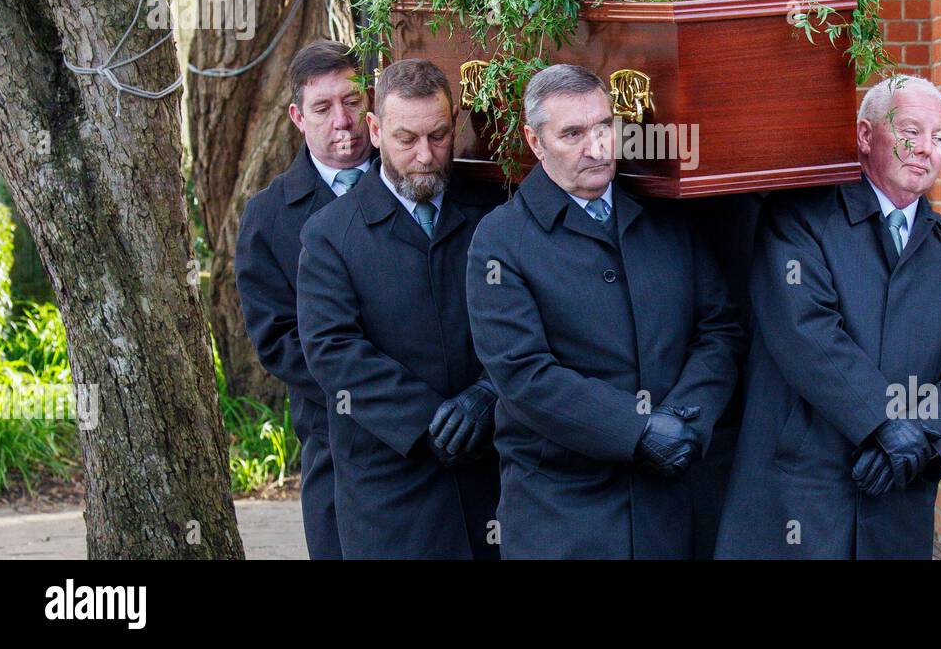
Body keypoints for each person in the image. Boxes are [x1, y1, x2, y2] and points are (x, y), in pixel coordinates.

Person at [466, 64, 743, 559]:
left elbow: (718, 329)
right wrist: (636, 430)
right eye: (572, 134)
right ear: (535, 141)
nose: (597, 148)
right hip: (563, 516)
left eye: (603, 127)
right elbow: (523, 374)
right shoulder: (501, 240)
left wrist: (686, 423)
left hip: (670, 508)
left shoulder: (667, 220)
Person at [715, 75, 941, 559]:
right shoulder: (799, 220)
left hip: (895, 505)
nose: (925, 149)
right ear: (866, 135)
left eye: (939, 137)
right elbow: (807, 334)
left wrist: (922, 446)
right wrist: (886, 424)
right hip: (799, 501)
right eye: (910, 130)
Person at [297, 58, 503, 558]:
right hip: (391, 487)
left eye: (437, 136)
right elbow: (334, 352)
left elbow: (529, 320)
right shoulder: (330, 234)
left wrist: (488, 394)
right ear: (374, 128)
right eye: (406, 139)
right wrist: (429, 419)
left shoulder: (493, 212)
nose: (425, 156)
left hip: (493, 477)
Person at [235, 40, 375, 560]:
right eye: (322, 107)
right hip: (336, 434)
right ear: (298, 116)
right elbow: (278, 342)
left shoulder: (416, 176)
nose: (343, 120)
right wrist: (376, 394)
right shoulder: (269, 217)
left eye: (353, 100)